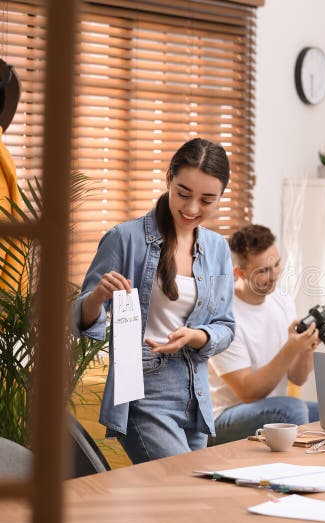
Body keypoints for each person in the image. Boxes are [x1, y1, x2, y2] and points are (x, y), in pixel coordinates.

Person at [74, 138, 236, 464]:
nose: (192, 209)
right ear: (168, 180)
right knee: (181, 482)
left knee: (187, 492)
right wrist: (99, 295)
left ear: (220, 197)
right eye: (183, 193)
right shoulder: (125, 238)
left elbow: (226, 327)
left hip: (196, 393)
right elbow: (79, 320)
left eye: (207, 200)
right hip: (143, 388)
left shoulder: (218, 248)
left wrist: (196, 336)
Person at [208, 224, 319, 444]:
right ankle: (293, 465)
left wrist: (305, 348)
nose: (274, 275)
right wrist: (291, 348)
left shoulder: (281, 299)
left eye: (276, 264)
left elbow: (297, 377)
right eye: (263, 271)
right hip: (223, 418)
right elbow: (248, 392)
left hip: (273, 409)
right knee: (291, 409)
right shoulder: (222, 315)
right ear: (239, 273)